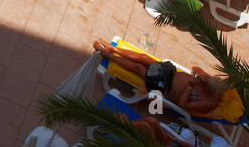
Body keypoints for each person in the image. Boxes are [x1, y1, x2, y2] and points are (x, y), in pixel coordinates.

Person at [92, 40, 227, 116]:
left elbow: (183, 105)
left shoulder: (208, 103)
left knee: (138, 68)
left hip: (164, 85)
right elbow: (194, 68)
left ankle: (107, 55)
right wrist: (203, 77)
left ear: (211, 91)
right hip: (170, 72)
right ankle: (113, 49)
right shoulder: (211, 84)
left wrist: (190, 86)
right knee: (144, 58)